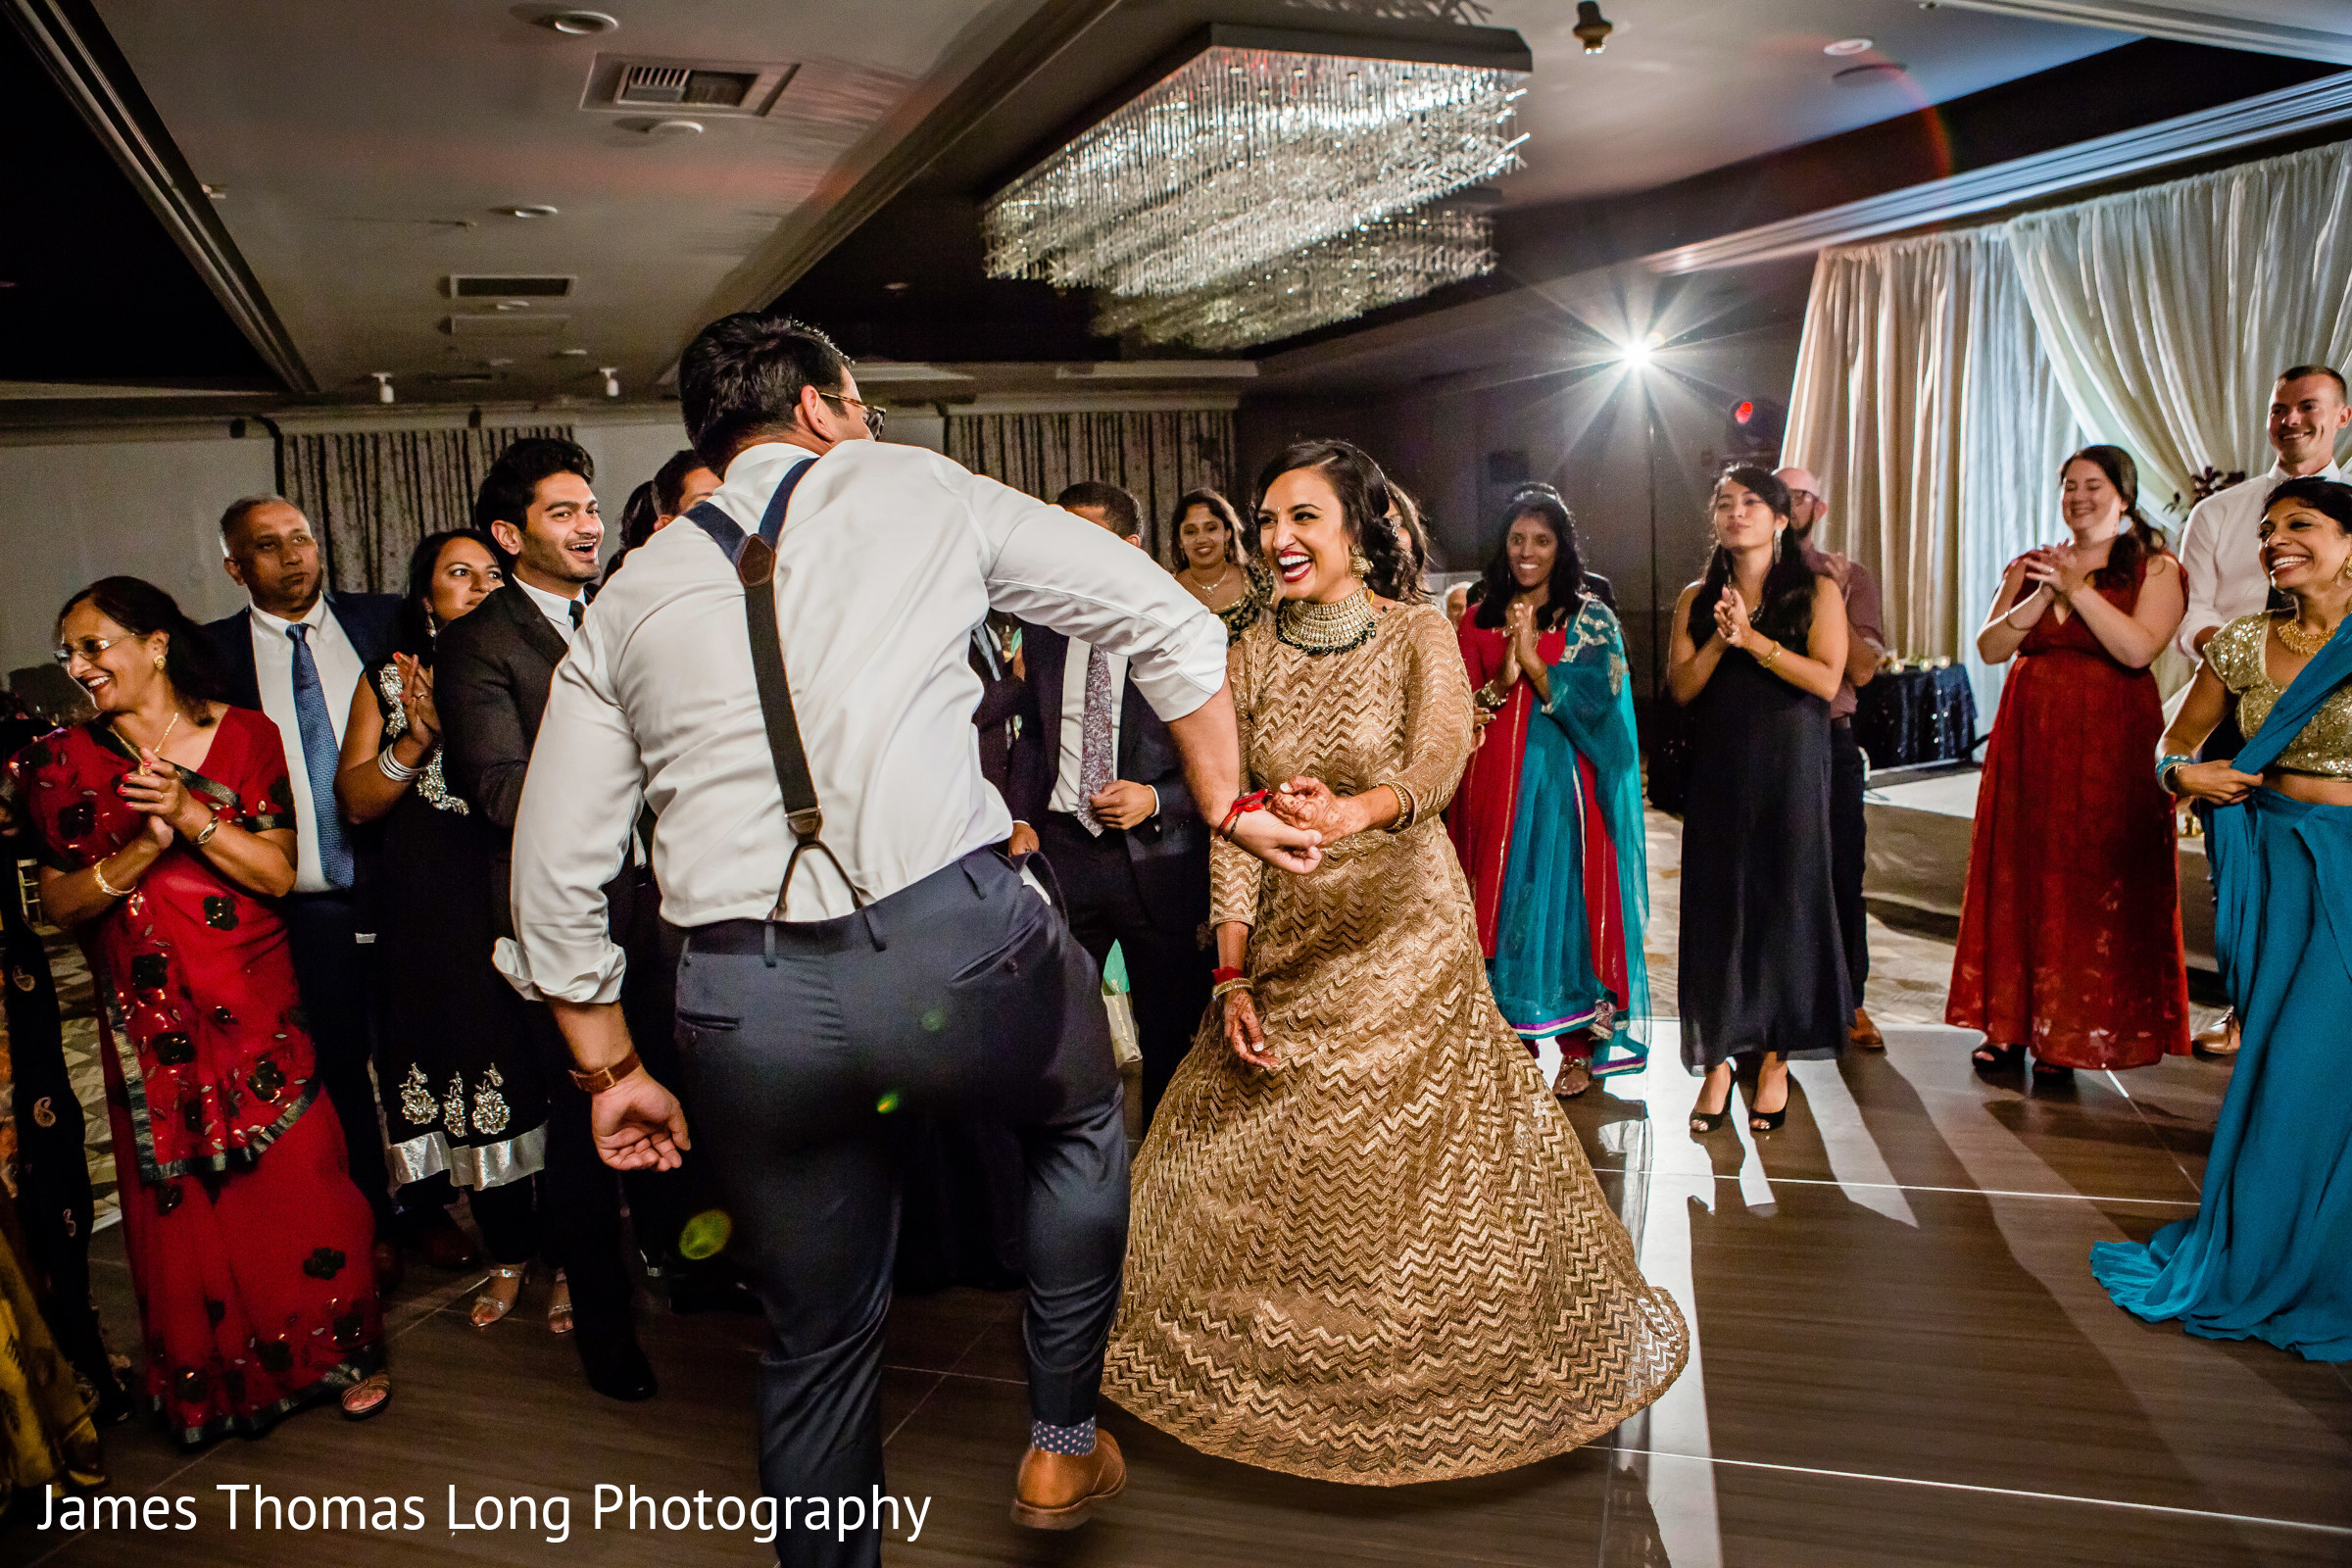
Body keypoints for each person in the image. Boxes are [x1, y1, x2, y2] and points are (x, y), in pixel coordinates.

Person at [498, 312, 1316, 1564]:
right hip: (958, 946)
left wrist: (611, 1069)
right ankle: (1058, 1432)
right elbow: (1168, 622)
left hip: (739, 999)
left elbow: (554, 870)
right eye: (861, 403)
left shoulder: (630, 594)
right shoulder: (909, 483)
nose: (866, 422)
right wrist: (1222, 800)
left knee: (815, 1341)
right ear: (822, 406)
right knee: (1082, 1118)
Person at [1104, 439, 1687, 1485]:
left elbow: (1437, 766)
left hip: (1408, 932)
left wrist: (1352, 811)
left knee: (1418, 1160)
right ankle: (1297, 1361)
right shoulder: (1245, 651)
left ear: (1359, 532)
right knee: (1258, 1146)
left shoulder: (1417, 631)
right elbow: (1236, 820)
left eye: (1303, 518)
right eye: (1267, 518)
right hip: (1291, 938)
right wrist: (1230, 970)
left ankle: (1429, 1360)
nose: (1277, 538)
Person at [15, 577, 389, 1438]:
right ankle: (221, 1381)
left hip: (251, 996)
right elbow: (63, 906)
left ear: (154, 643)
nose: (78, 665)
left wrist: (186, 813)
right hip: (148, 1020)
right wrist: (139, 852)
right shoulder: (62, 763)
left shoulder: (245, 735)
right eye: (69, 651)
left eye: (94, 644)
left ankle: (335, 1353)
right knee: (187, 1201)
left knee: (301, 1173)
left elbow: (275, 874)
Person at [2093, 475, 2352, 1359]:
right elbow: (2171, 745)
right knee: (2285, 1062)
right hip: (2280, 867)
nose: (2277, 541)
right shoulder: (2243, 644)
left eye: (2302, 526)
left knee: (2322, 1066)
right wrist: (2184, 776)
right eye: (2270, 530)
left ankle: (2324, 1260)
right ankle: (2266, 1255)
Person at [433, 438, 664, 1397]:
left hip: (660, 901)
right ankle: (606, 1335)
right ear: (509, 531)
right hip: (564, 916)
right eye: (563, 511)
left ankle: (682, 1263)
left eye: (591, 507)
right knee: (584, 1128)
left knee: (674, 1092)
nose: (588, 525)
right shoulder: (480, 641)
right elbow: (497, 786)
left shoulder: (612, 614)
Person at [197, 498, 434, 1274]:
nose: (294, 556)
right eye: (269, 547)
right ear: (237, 567)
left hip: (402, 885)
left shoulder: (384, 622)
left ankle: (430, 1209)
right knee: (335, 1065)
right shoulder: (212, 658)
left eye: (301, 538)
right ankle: (374, 1214)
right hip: (299, 902)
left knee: (415, 1052)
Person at [331, 530, 556, 1332]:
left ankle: (568, 1260)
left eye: (492, 575)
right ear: (425, 600)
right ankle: (507, 1252)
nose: (478, 584)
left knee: (543, 1076)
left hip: (514, 904)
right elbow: (356, 803)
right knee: (459, 1079)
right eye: (459, 574)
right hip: (426, 922)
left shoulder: (530, 670)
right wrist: (418, 735)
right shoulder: (388, 685)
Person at [1949, 444, 2189, 1082]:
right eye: (2069, 486)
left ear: (2124, 497)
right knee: (2020, 874)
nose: (2078, 497)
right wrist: (2042, 592)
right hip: (2028, 738)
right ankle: (2007, 1027)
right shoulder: (2034, 563)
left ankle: (2071, 1033)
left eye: (2093, 486)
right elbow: (1992, 644)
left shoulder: (2157, 567)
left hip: (2109, 737)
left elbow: (2137, 650)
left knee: (2088, 882)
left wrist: (2078, 591)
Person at [1007, 485, 1212, 1130]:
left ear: (1129, 549)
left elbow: (1228, 760)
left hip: (1156, 860)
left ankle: (1163, 1175)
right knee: (1061, 1025)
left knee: (1169, 1033)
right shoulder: (1041, 632)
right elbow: (1037, 737)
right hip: (1063, 852)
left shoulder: (1180, 630)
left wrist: (1156, 796)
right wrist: (1020, 818)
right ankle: (1077, 1164)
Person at [2170, 366, 2347, 1059]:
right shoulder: (2220, 512)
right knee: (2243, 872)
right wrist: (2250, 660)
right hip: (2245, 699)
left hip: (2340, 693)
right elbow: (2197, 611)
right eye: (2279, 408)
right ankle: (2250, 1005)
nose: (2291, 419)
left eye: (2308, 407)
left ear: (2341, 417)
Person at [1447, 487, 1649, 1099]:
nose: (1526, 552)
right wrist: (1503, 675)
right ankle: (1511, 1045)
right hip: (1489, 791)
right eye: (1516, 540)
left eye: (1540, 541)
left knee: (1561, 910)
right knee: (1499, 909)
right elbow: (1461, 704)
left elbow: (1601, 709)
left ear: (1561, 548)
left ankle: (1579, 1048)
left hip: (1563, 794)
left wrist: (1533, 660)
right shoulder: (1481, 614)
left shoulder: (1590, 618)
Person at [1668, 466, 1852, 1132]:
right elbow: (1683, 688)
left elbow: (1828, 681)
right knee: (1718, 907)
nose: (1736, 513)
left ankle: (1775, 1059)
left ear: (1781, 520)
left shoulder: (1816, 591)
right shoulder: (1697, 596)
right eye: (1724, 502)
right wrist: (1722, 637)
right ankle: (1716, 1060)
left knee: (1786, 904)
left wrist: (1756, 642)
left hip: (1792, 766)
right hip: (1720, 769)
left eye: (1751, 502)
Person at [1777, 465, 1888, 1050]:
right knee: (1767, 876)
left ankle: (1851, 1003)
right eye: (1782, 495)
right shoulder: (1745, 576)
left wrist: (1837, 600)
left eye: (1802, 497)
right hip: (1765, 741)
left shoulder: (1850, 577)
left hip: (1828, 736)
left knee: (1843, 874)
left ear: (1818, 508)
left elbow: (1864, 670)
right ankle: (1771, 1007)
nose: (1792, 505)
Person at [1169, 486, 1272, 641]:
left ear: (1227, 533)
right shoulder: (1168, 590)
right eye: (1191, 531)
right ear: (1180, 540)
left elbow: (1296, 623)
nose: (1202, 539)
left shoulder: (1255, 579)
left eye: (1211, 529)